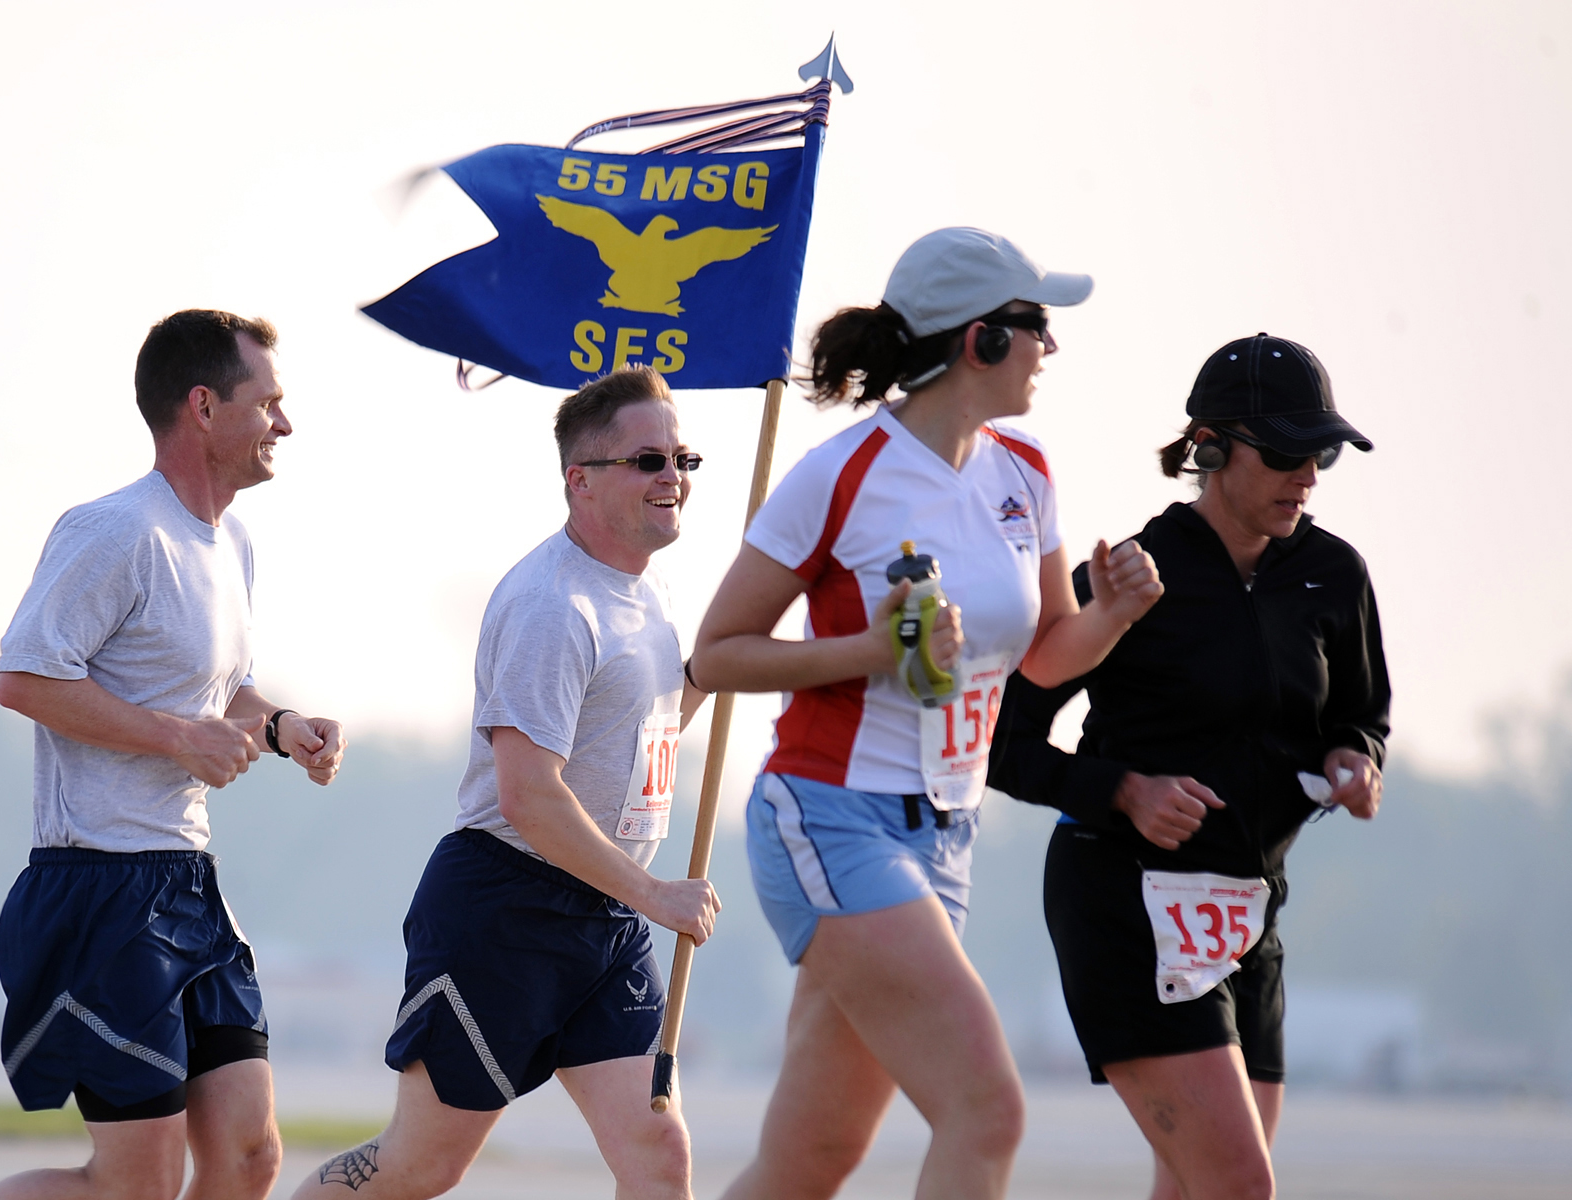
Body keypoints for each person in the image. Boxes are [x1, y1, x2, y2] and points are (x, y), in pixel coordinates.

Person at [690, 227, 1165, 1200]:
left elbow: (1044, 655)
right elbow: (716, 652)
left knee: (811, 1160)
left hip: (946, 836)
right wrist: (870, 653)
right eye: (1035, 325)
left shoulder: (1025, 468)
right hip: (825, 815)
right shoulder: (841, 472)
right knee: (989, 1107)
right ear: (979, 341)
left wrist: (1113, 616)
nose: (1052, 348)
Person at [294, 367, 718, 1200]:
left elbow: (642, 735)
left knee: (658, 1156)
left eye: (683, 458)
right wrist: (657, 894)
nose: (673, 476)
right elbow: (531, 795)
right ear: (581, 480)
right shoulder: (552, 605)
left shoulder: (651, 592)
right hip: (506, 910)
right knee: (419, 1166)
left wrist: (721, 662)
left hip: (604, 916)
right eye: (648, 460)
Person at [988, 333, 1390, 1200]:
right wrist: (1124, 791)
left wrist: (1354, 760)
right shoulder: (1134, 575)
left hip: (1249, 912)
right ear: (1208, 447)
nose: (1308, 475)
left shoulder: (1334, 575)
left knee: (1201, 1190)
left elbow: (1362, 717)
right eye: (1285, 451)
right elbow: (1003, 744)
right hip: (1124, 905)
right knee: (1239, 1186)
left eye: (1321, 452)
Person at [0, 310, 346, 1200]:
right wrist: (181, 738)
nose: (285, 425)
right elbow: (24, 679)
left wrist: (282, 726)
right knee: (132, 1186)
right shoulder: (113, 532)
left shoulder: (232, 543)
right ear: (205, 406)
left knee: (249, 1155)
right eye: (271, 403)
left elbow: (223, 695)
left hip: (187, 884)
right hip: (98, 886)